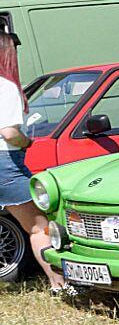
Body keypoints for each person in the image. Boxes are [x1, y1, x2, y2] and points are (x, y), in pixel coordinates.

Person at [1, 63, 65, 291]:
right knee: (39, 228)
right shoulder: (6, 86)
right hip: (6, 163)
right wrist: (27, 142)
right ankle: (60, 284)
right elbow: (9, 133)